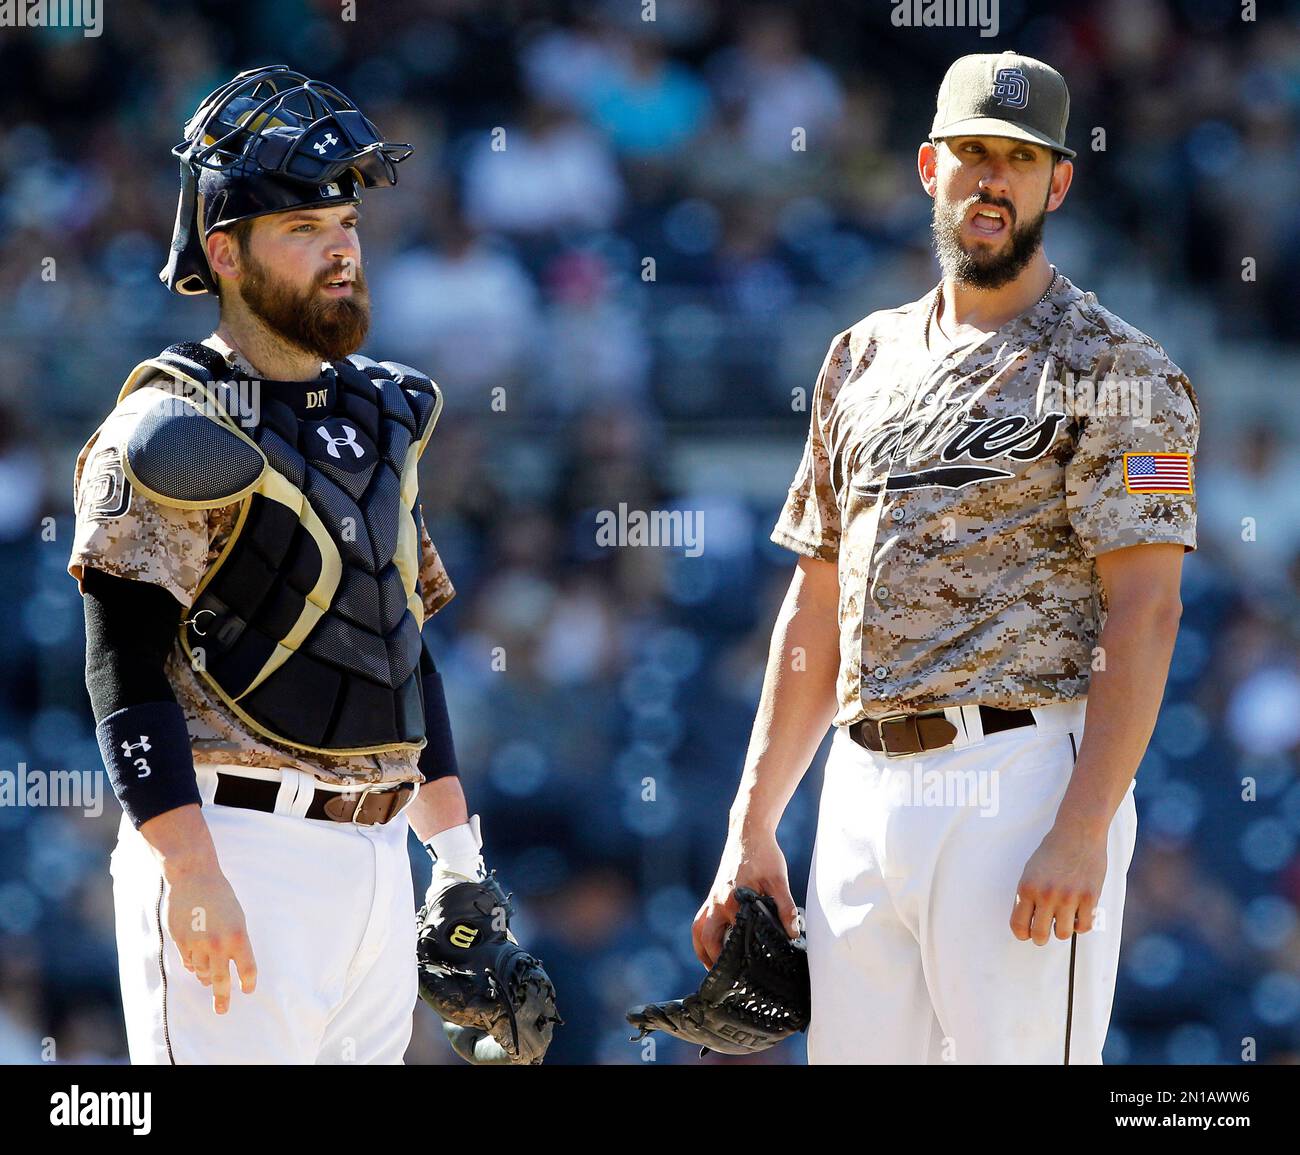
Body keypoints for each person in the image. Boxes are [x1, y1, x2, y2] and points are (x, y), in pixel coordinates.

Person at [693, 51, 1199, 1064]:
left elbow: (1145, 611)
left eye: (1018, 158)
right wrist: (753, 826)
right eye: (972, 151)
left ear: (1056, 182)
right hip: (863, 779)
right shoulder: (859, 356)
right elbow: (814, 599)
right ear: (929, 166)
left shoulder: (1121, 368)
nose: (991, 178)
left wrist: (1083, 822)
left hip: (1019, 773)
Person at [67, 66, 549, 1064]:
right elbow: (121, 669)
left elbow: (397, 644)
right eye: (303, 230)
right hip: (237, 844)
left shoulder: (383, 413)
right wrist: (191, 874)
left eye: (346, 224)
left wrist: (457, 864)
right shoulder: (170, 425)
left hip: (376, 857)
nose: (340, 249)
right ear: (226, 256)